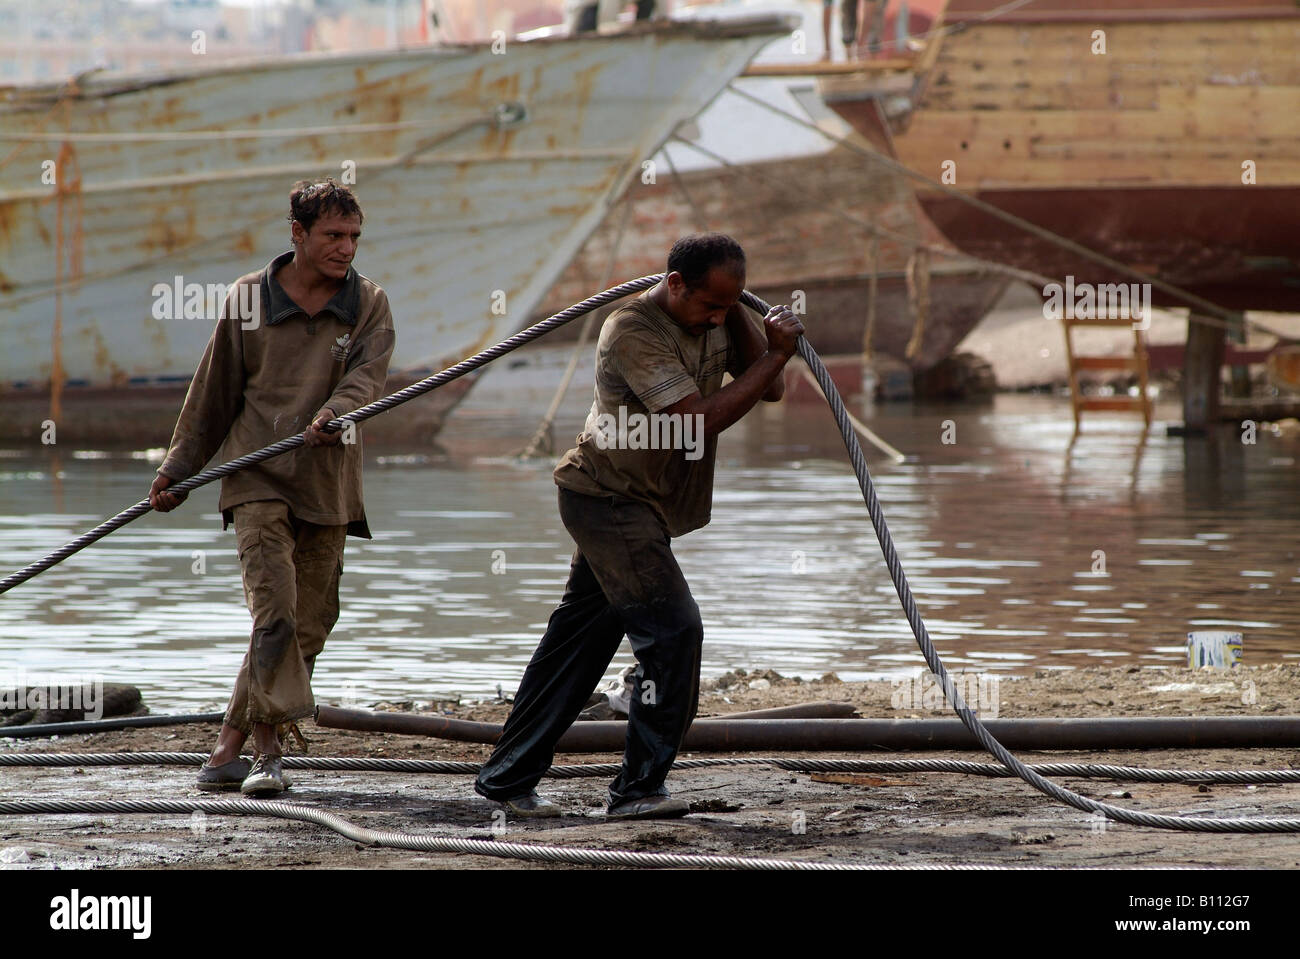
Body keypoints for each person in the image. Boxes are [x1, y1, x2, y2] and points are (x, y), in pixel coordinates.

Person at [474, 233, 805, 820]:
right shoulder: (632, 329)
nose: (717, 318)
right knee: (674, 632)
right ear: (675, 283)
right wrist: (778, 355)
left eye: (729, 307)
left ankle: (507, 778)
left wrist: (756, 334)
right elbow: (693, 426)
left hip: (642, 502)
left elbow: (771, 391)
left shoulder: (719, 314)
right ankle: (637, 790)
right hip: (607, 498)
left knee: (577, 643)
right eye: (709, 305)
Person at [149, 179, 395, 796]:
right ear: (298, 235)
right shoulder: (247, 300)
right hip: (256, 475)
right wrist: (178, 470)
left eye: (354, 236)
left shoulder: (369, 303)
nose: (347, 248)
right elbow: (213, 395)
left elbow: (368, 379)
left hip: (329, 482)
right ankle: (267, 756)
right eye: (333, 236)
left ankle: (226, 745)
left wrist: (334, 412)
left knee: (310, 624)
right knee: (276, 614)